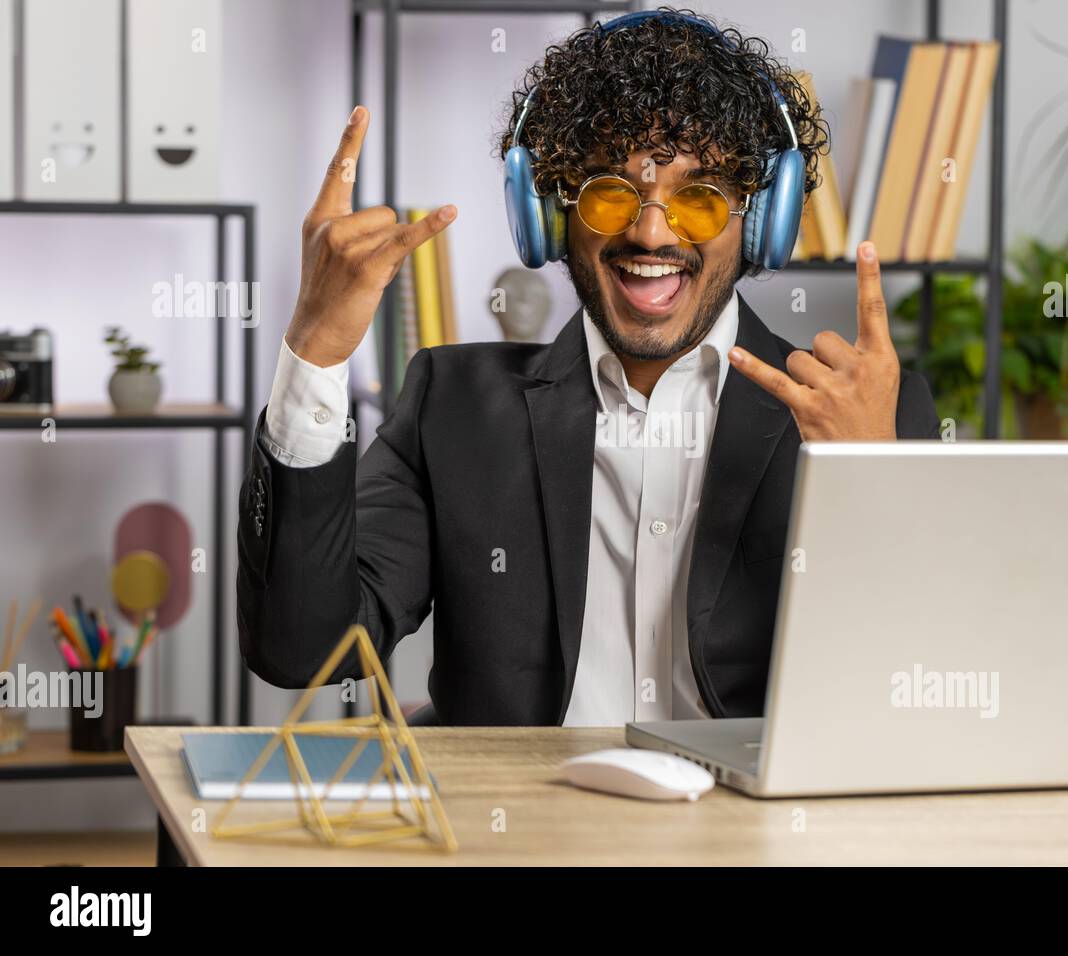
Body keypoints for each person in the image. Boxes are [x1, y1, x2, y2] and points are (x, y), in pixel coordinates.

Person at [237, 9, 938, 726]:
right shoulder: (454, 406)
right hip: (529, 827)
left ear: (758, 223)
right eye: (610, 191)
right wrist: (316, 352)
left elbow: (918, 698)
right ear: (548, 209)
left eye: (699, 199)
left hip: (752, 829)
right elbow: (302, 650)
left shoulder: (865, 412)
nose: (651, 232)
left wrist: (867, 479)